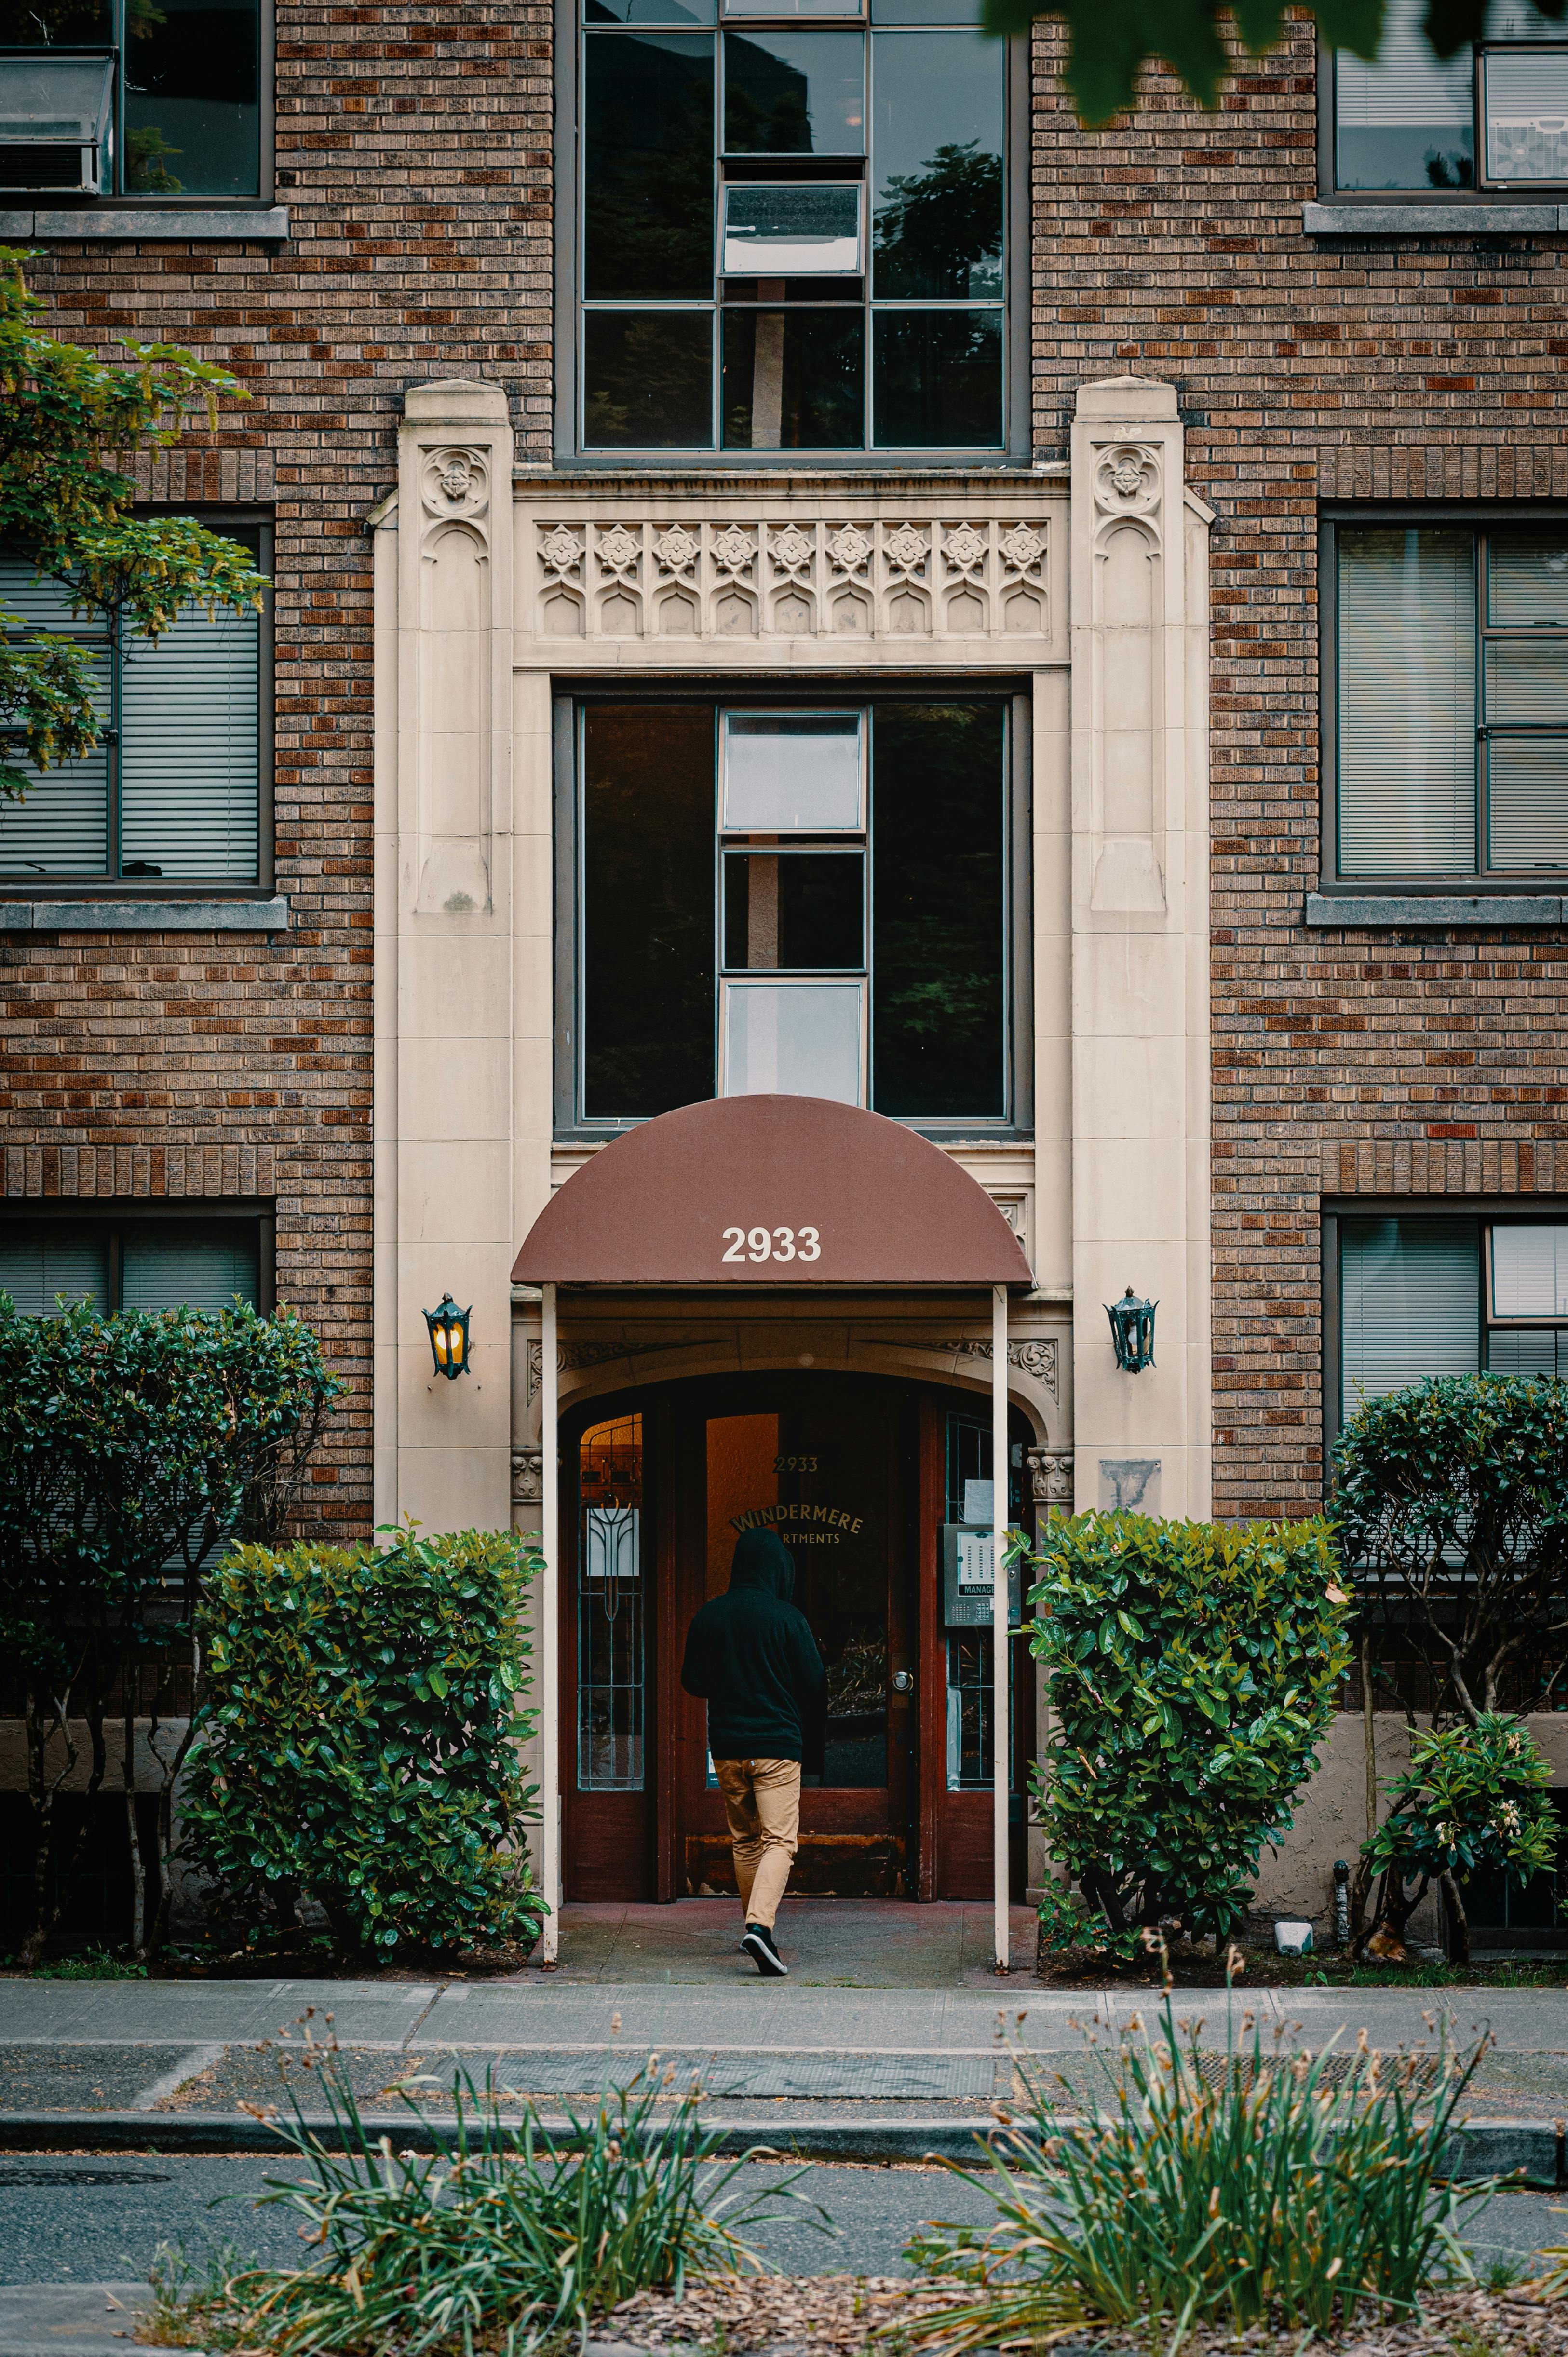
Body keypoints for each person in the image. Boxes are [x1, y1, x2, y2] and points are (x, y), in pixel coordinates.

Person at [680, 1524, 827, 1978]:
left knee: (745, 1840)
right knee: (781, 1841)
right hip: (777, 1747)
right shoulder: (787, 1618)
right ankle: (760, 1928)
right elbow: (814, 1682)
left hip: (727, 1748)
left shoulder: (710, 1615)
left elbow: (693, 1682)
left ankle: (756, 1930)